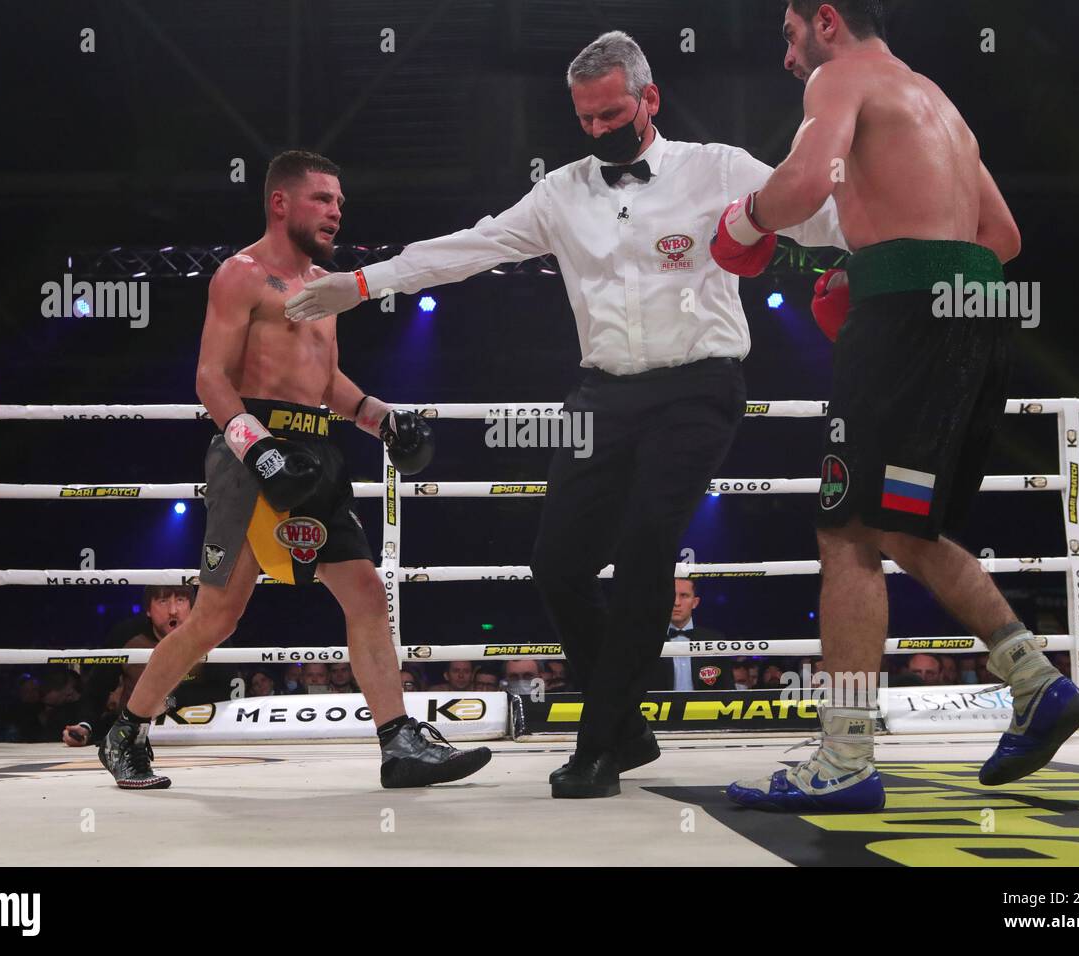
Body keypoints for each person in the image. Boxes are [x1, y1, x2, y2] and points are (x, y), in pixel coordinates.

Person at [286, 31, 845, 799]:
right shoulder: (561, 192)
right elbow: (470, 248)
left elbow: (822, 218)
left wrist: (905, 238)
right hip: (602, 396)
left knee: (649, 547)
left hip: (700, 385)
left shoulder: (719, 168)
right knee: (557, 564)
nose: (595, 129)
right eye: (583, 117)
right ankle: (627, 728)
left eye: (610, 112)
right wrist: (362, 283)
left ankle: (598, 744)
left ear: (649, 99)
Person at [724, 0, 1079, 812]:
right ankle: (1036, 681)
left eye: (788, 36)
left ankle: (845, 760)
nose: (788, 59)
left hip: (907, 328)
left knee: (844, 530)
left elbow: (804, 184)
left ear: (825, 19)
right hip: (976, 322)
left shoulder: (841, 77)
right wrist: (881, 269)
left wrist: (741, 221)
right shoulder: (938, 103)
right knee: (902, 523)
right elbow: (1003, 235)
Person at [97, 150, 490, 790]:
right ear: (281, 202)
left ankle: (399, 745)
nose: (336, 210)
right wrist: (256, 446)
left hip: (317, 451)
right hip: (252, 450)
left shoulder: (325, 288)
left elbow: (322, 380)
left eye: (339, 200)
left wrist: (381, 417)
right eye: (322, 199)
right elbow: (210, 377)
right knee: (218, 616)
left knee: (364, 590)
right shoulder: (240, 275)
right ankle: (129, 727)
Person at [63, 585, 219, 746]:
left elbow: (225, 689)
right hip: (134, 736)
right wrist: (85, 726)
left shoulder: (210, 634)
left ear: (192, 606)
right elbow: (97, 689)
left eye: (180, 600)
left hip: (202, 733)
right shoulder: (126, 636)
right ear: (148, 610)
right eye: (163, 601)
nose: (173, 610)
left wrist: (169, 701)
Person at [655, 578, 735, 691]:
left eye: (684, 595)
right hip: (661, 707)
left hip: (705, 707)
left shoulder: (714, 639)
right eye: (671, 595)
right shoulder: (650, 640)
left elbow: (727, 687)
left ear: (695, 602)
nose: (676, 602)